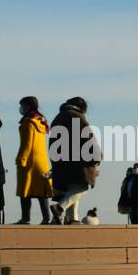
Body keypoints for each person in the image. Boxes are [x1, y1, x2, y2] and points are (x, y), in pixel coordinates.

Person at [48, 96, 99, 225]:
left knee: (72, 189)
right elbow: (88, 138)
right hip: (76, 162)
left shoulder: (58, 118)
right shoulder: (77, 117)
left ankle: (73, 219)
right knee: (82, 188)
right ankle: (59, 208)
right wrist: (97, 156)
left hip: (61, 162)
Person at [15, 96, 53, 224]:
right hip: (42, 161)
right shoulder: (42, 122)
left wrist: (21, 158)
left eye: (22, 105)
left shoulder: (28, 122)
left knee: (25, 190)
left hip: (30, 161)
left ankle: (25, 218)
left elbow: (27, 143)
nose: (21, 109)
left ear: (28, 106)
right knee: (42, 191)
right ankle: (46, 218)